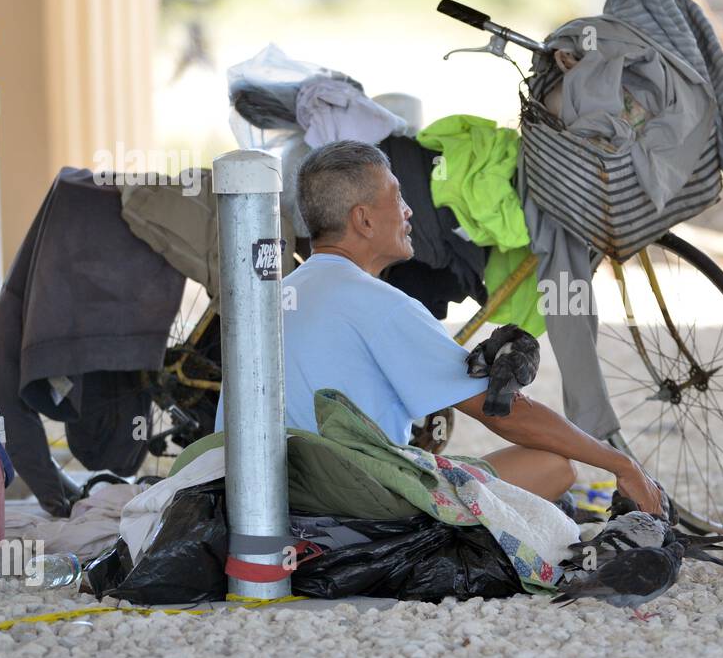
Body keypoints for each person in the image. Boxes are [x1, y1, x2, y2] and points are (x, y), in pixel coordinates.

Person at [216, 139, 663, 514]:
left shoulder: (275, 296)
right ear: (364, 219)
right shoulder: (381, 304)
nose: (410, 212)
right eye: (398, 198)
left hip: (263, 504)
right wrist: (620, 464)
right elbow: (507, 416)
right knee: (554, 466)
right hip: (350, 505)